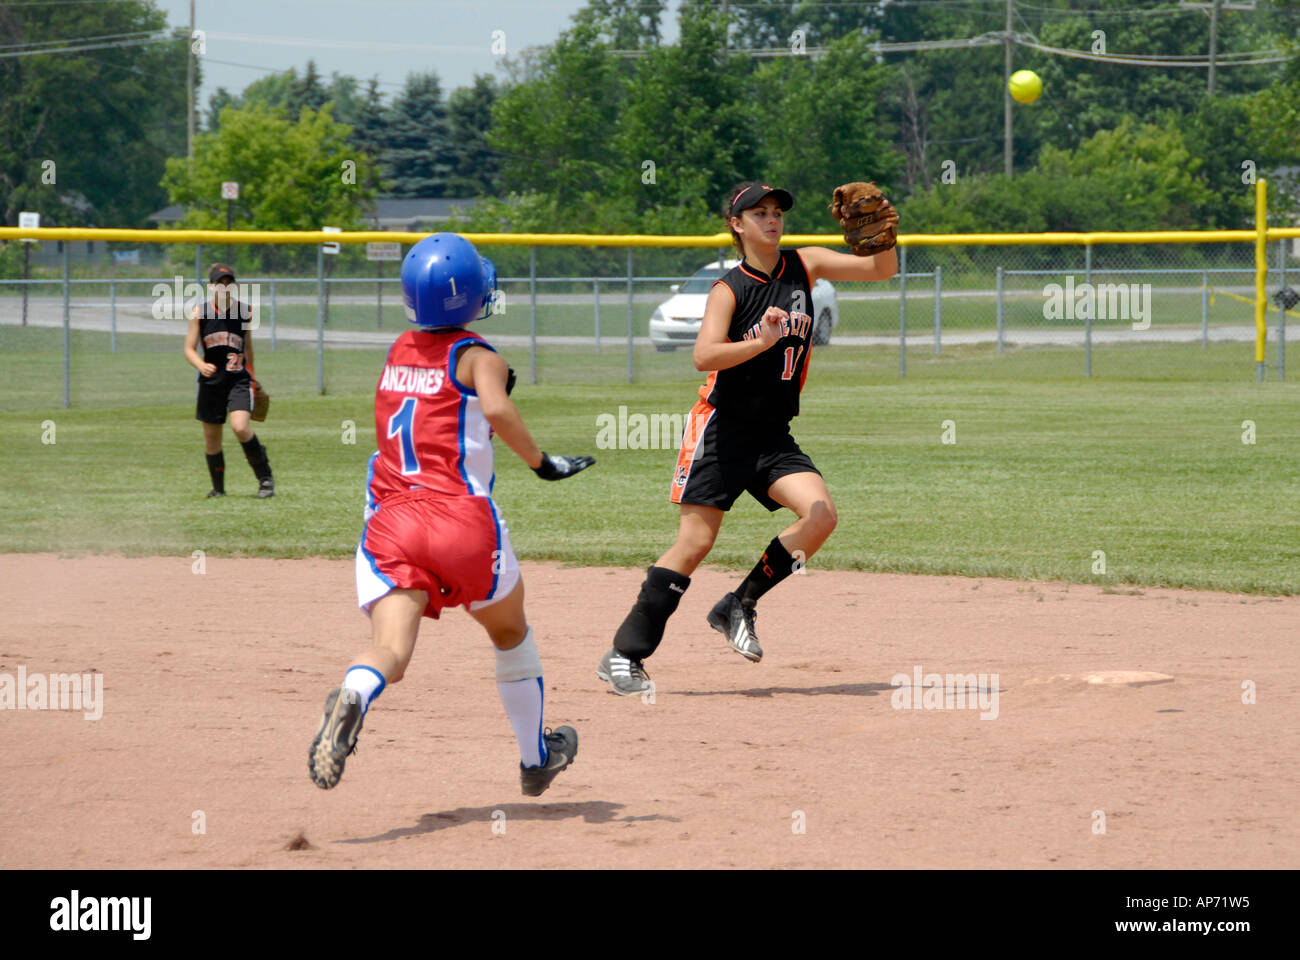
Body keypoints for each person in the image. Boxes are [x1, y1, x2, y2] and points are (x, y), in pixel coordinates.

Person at [309, 233, 595, 796]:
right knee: (511, 633)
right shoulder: (481, 357)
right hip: (461, 523)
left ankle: (355, 695)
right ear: (472, 297)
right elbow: (493, 406)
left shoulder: (397, 350)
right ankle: (536, 758)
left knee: (390, 650)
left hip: (392, 520)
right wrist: (542, 464)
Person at [597, 181, 898, 696]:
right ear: (737, 225)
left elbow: (882, 271)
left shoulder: (807, 266)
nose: (772, 219)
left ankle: (739, 602)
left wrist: (881, 237)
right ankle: (624, 655)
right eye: (758, 212)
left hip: (772, 434)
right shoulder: (728, 289)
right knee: (694, 544)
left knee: (820, 515)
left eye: (777, 210)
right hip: (720, 430)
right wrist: (759, 340)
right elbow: (705, 355)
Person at [183, 263, 274, 499]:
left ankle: (265, 480)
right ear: (211, 287)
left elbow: (249, 348)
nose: (224, 288)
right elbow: (188, 349)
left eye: (228, 283)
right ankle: (218, 489)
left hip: (238, 381)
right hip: (211, 382)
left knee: (240, 427)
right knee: (212, 439)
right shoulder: (199, 313)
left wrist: (253, 379)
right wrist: (200, 365)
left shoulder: (245, 312)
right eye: (219, 284)